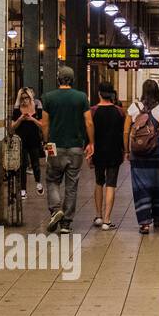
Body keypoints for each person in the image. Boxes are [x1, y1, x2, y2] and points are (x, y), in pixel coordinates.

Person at [39, 65, 90, 235]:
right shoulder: (81, 97)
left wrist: (46, 142)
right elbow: (88, 122)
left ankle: (55, 210)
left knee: (52, 179)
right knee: (72, 185)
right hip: (76, 147)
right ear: (72, 79)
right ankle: (66, 224)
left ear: (58, 79)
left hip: (55, 146)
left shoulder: (48, 97)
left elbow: (45, 123)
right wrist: (91, 142)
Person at [124, 77, 159, 233]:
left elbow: (126, 131)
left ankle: (144, 223)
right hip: (157, 155)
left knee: (141, 187)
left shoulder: (133, 108)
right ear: (157, 92)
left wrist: (127, 150)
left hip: (138, 156)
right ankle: (158, 219)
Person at [88, 82, 126, 230]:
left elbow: (89, 131)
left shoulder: (93, 111)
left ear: (99, 94)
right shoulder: (119, 111)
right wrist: (125, 150)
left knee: (99, 182)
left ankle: (98, 216)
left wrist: (90, 148)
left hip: (98, 150)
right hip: (115, 151)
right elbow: (123, 132)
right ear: (112, 95)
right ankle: (107, 220)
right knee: (111, 184)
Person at [9, 87, 44, 199]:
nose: (25, 100)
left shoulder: (37, 108)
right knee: (22, 165)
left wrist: (32, 119)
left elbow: (42, 125)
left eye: (27, 98)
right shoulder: (17, 110)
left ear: (30, 98)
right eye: (22, 98)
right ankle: (23, 189)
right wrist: (20, 119)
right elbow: (12, 127)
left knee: (35, 163)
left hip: (34, 140)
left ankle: (38, 182)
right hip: (21, 141)